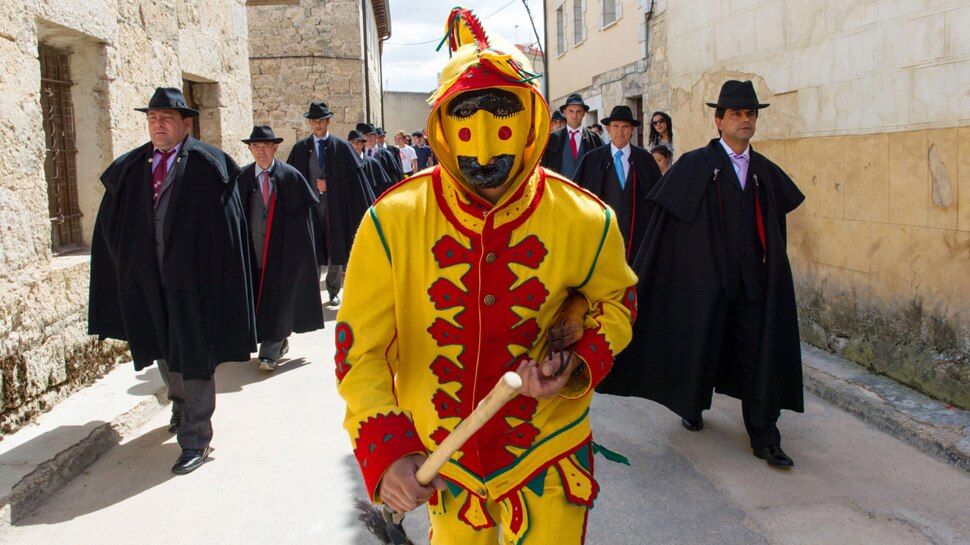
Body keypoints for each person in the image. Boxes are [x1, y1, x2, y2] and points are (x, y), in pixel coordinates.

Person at [335, 7, 636, 544]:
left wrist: (573, 358)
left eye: (500, 121)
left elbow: (617, 302)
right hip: (443, 466)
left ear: (530, 122)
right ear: (443, 127)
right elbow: (361, 353)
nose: (484, 148)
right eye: (464, 121)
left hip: (548, 452)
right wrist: (387, 452)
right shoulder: (391, 221)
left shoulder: (586, 219)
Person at [598, 80, 805, 468]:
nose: (745, 121)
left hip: (752, 286)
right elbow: (667, 231)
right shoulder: (696, 166)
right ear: (719, 120)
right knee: (700, 344)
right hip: (706, 285)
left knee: (757, 353)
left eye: (751, 114)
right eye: (737, 114)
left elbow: (775, 231)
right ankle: (690, 404)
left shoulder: (763, 172)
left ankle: (764, 435)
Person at [88, 87, 256, 474]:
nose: (158, 124)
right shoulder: (131, 168)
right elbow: (111, 225)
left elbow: (229, 231)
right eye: (152, 118)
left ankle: (196, 438)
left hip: (194, 285)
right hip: (149, 280)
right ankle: (180, 407)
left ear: (185, 123)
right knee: (162, 346)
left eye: (166, 118)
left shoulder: (209, 165)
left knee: (193, 353)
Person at [239, 126, 324, 371]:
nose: (262, 151)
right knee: (260, 299)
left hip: (283, 254)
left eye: (266, 146)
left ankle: (269, 352)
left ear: (275, 148)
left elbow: (304, 224)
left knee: (279, 299)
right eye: (257, 147)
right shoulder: (243, 179)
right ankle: (278, 340)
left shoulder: (291, 177)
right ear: (250, 149)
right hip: (253, 251)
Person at [286, 101, 375, 307]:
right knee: (311, 250)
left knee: (336, 249)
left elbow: (354, 182)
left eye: (322, 120)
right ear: (309, 123)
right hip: (310, 209)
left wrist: (331, 186)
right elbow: (293, 179)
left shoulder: (342, 147)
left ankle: (333, 290)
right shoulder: (301, 148)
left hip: (334, 208)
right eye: (314, 121)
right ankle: (311, 293)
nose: (318, 125)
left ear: (328, 122)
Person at [573, 105, 663, 263]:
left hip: (637, 240)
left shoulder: (645, 160)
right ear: (608, 128)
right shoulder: (592, 160)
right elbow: (576, 199)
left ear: (632, 130)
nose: (620, 131)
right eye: (615, 126)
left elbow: (657, 200)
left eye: (625, 127)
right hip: (602, 240)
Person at [541, 93, 605, 179]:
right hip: (559, 190)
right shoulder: (552, 139)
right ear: (565, 112)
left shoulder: (595, 140)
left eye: (578, 111)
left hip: (585, 191)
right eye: (571, 111)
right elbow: (543, 168)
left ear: (584, 113)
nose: (574, 116)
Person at [349, 129, 394, 195]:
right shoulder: (344, 164)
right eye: (353, 143)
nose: (356, 146)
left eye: (358, 143)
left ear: (363, 145)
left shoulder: (374, 164)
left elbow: (385, 187)